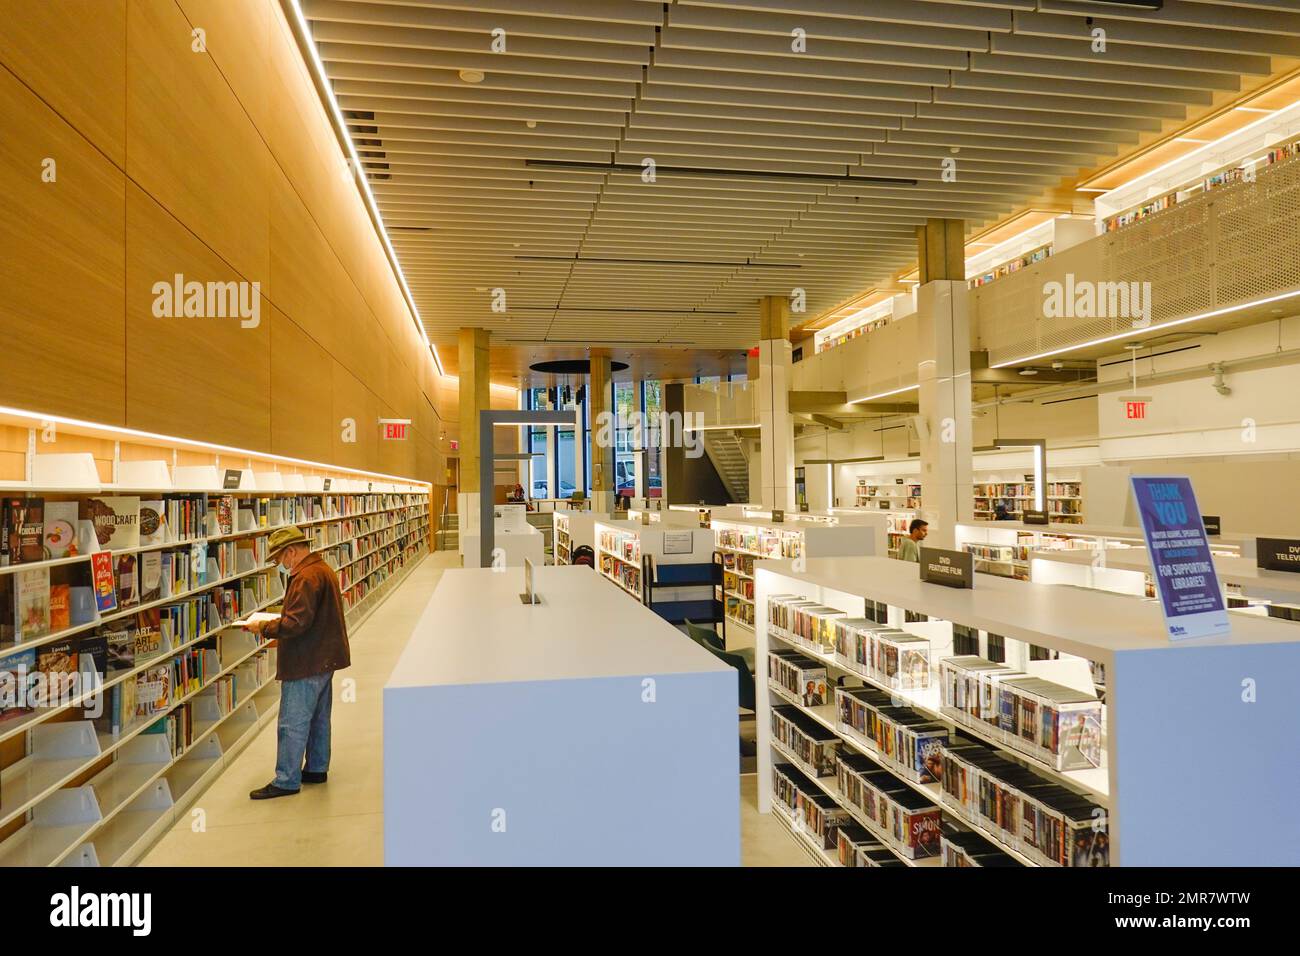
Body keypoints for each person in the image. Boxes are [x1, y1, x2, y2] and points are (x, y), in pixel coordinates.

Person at [245, 526, 351, 800]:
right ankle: (316, 768)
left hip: (306, 659)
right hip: (324, 657)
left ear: (291, 552)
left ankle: (286, 779)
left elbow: (296, 623)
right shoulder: (322, 569)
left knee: (292, 721)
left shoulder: (305, 577)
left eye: (280, 558)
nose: (281, 564)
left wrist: (263, 627)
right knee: (318, 718)